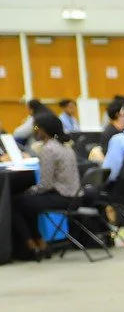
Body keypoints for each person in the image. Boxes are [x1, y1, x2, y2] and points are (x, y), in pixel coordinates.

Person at [12, 112, 79, 261]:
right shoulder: (66, 147)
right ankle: (39, 243)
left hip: (62, 197)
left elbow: (45, 185)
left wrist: (31, 190)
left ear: (43, 129)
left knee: (16, 203)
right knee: (27, 202)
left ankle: (32, 245)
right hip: (73, 196)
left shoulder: (48, 149)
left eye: (36, 127)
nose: (34, 130)